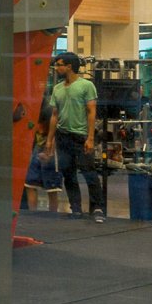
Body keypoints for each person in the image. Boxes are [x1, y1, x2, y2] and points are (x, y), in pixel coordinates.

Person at [49, 53, 105, 220]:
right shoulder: (57, 88)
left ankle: (97, 209)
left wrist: (90, 138)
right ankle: (76, 208)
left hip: (80, 136)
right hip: (63, 136)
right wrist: (49, 139)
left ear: (69, 67)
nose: (56, 68)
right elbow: (54, 115)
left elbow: (91, 112)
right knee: (68, 174)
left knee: (89, 172)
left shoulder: (86, 86)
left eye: (59, 65)